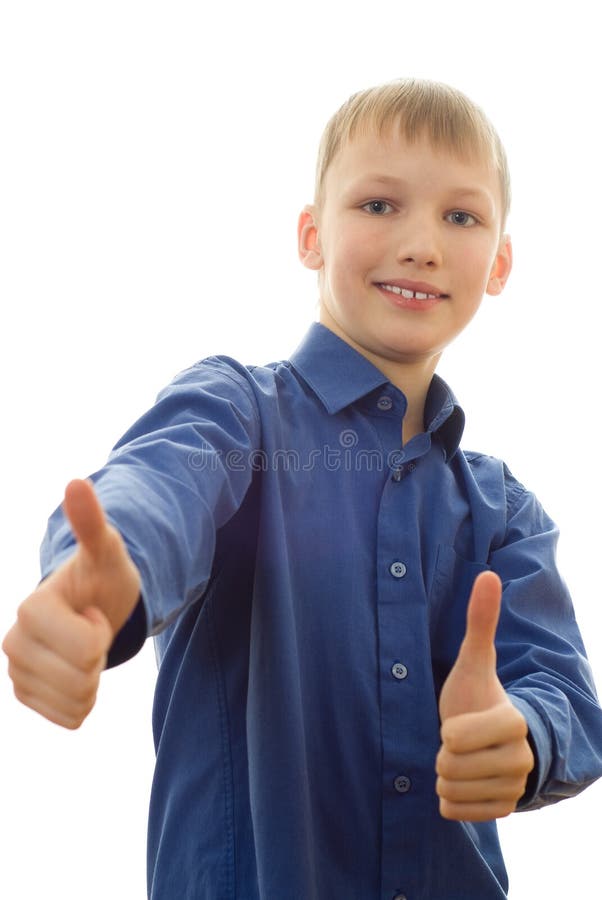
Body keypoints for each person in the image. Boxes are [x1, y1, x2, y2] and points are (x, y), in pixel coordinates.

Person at [4, 78, 602, 900]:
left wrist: (526, 736)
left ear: (498, 262)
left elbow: (561, 690)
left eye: (460, 217)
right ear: (311, 236)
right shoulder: (237, 411)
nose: (422, 243)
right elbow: (159, 483)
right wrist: (109, 574)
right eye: (380, 205)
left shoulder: (506, 513)